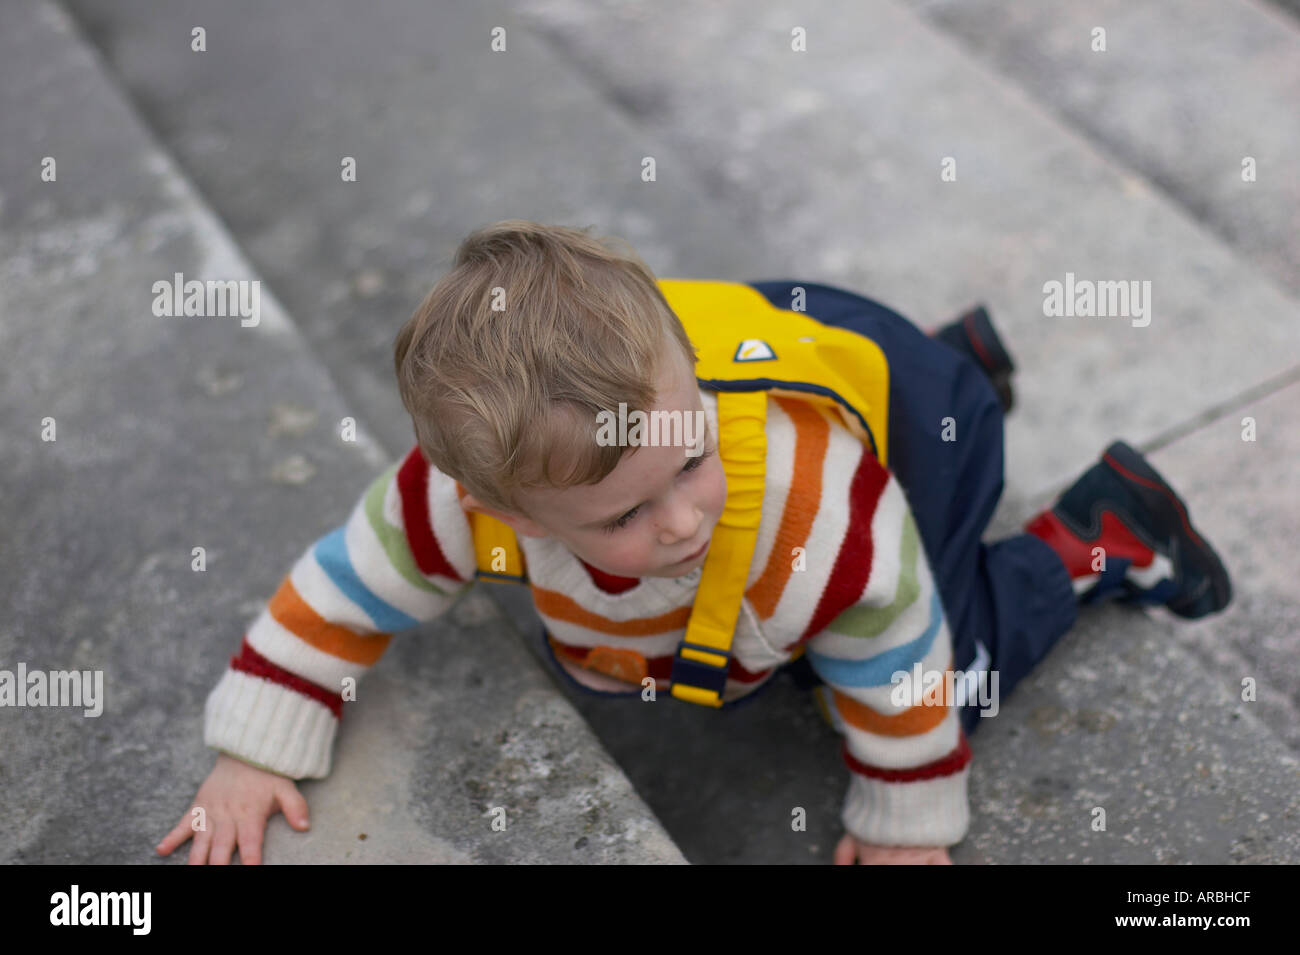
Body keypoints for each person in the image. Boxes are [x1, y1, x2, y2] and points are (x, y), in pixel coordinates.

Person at [155, 220, 1231, 865]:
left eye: (690, 461)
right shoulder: (469, 490)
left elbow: (897, 645)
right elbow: (352, 581)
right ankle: (950, 363)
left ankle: (1102, 528)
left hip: (912, 449)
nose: (681, 518)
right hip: (833, 355)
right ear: (509, 516)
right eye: (625, 516)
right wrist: (262, 733)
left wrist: (907, 814)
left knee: (959, 656)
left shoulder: (813, 522)